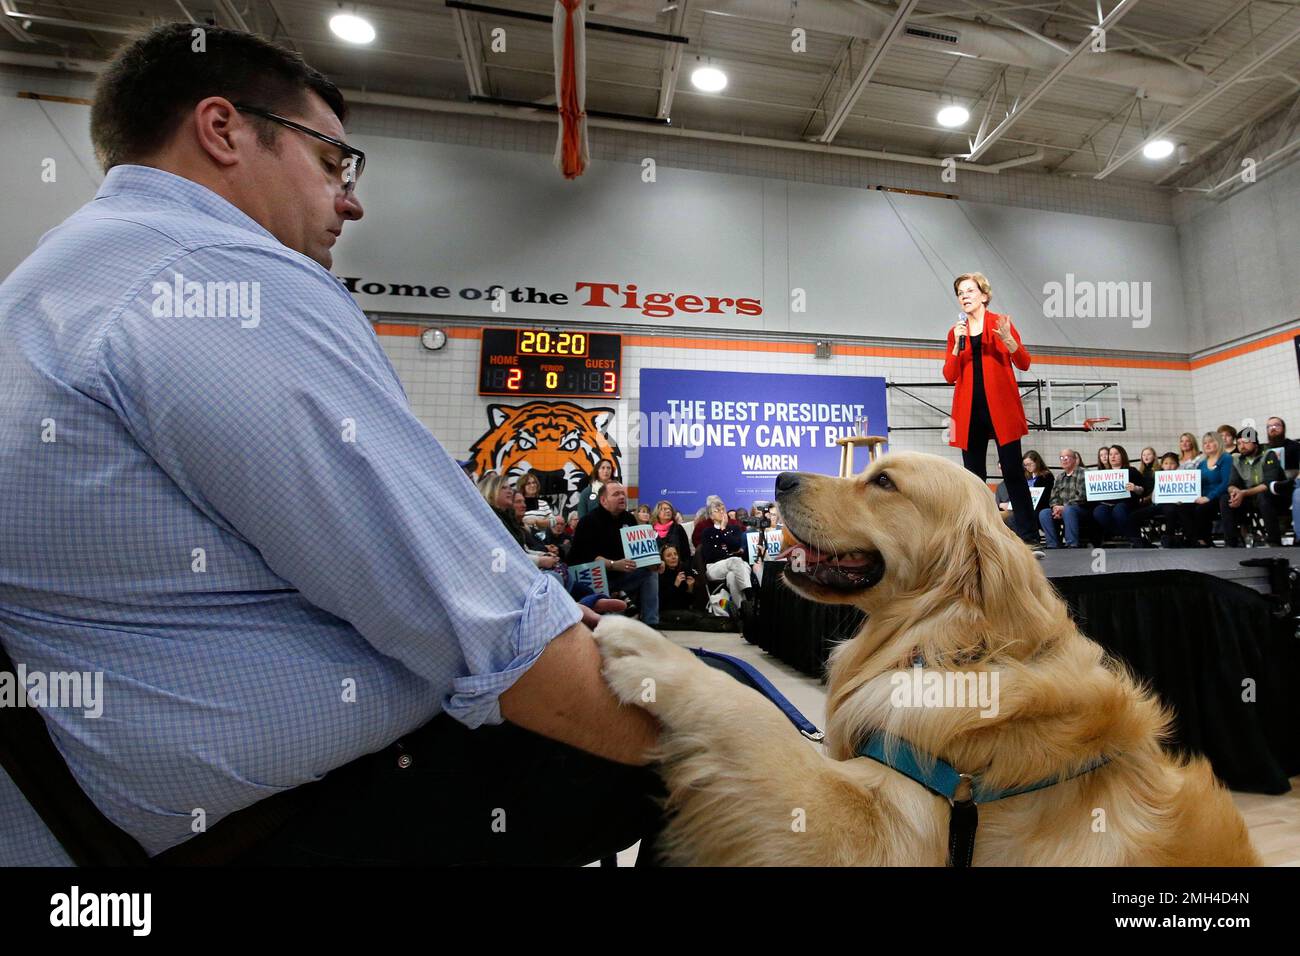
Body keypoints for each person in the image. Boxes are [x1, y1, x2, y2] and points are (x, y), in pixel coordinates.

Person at [0, 24, 661, 867]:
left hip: (97, 813)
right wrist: (761, 747)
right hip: (277, 822)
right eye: (331, 162)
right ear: (222, 129)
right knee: (728, 750)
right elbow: (507, 649)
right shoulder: (223, 277)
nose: (349, 200)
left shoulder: (56, 281)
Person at [942, 271, 1037, 547]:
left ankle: (1029, 538)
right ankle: (978, 539)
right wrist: (957, 348)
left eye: (970, 291)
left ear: (984, 295)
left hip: (1001, 410)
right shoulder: (955, 332)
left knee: (1012, 472)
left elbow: (1024, 362)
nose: (964, 296)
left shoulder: (1001, 323)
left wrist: (1009, 341)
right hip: (969, 412)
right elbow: (949, 375)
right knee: (973, 478)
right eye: (960, 293)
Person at [569, 482, 661, 626]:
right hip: (594, 580)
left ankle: (651, 624)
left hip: (622, 576)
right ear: (603, 500)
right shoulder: (588, 522)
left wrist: (652, 562)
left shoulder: (629, 519)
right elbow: (588, 557)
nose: (622, 497)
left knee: (651, 573)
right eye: (616, 494)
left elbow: (637, 553)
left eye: (623, 493)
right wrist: (614, 564)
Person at [1221, 427, 1284, 547]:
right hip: (1248, 497)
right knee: (1225, 499)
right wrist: (1235, 492)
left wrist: (1244, 493)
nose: (1241, 446)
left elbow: (1269, 483)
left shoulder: (1268, 455)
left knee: (1263, 496)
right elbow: (1232, 483)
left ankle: (1274, 541)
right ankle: (1231, 543)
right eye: (1239, 443)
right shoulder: (1237, 460)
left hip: (1273, 496)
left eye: (1245, 442)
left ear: (1255, 443)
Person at [1174, 432, 1234, 547]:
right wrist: (1185, 497)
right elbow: (1197, 484)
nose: (1207, 445)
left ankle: (1204, 539)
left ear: (1218, 442)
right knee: (1182, 507)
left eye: (1211, 442)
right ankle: (1194, 540)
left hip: (1219, 496)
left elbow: (1226, 482)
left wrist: (1208, 497)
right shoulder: (1202, 463)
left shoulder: (1226, 458)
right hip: (1203, 496)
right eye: (1205, 443)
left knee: (1201, 509)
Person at [699, 501, 754, 614]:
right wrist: (730, 552)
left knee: (732, 576)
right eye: (717, 510)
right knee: (735, 560)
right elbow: (710, 554)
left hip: (737, 567)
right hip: (714, 567)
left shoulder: (735, 529)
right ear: (711, 516)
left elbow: (736, 545)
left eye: (723, 509)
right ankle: (750, 596)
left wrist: (724, 530)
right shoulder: (707, 532)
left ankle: (742, 611)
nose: (721, 512)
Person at [1090, 445, 1152, 544]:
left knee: (1119, 509)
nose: (1112, 457)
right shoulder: (1103, 474)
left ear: (1122, 455)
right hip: (1107, 504)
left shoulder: (1131, 471)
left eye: (1116, 454)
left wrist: (1135, 488)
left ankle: (1131, 536)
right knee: (1098, 511)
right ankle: (1119, 533)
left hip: (1127, 504)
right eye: (1110, 454)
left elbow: (1143, 490)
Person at [1121, 451, 1185, 547]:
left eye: (1172, 463)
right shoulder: (1160, 476)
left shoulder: (1182, 476)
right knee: (1133, 515)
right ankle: (1138, 540)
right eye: (1166, 463)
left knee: (1170, 510)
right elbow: (1155, 497)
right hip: (1159, 505)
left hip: (1174, 504)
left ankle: (1168, 537)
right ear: (1162, 465)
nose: (1169, 466)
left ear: (1177, 465)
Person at [1038, 449, 1087, 548]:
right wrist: (1055, 507)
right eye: (1061, 458)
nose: (1064, 460)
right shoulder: (1060, 477)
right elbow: (1053, 497)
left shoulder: (1083, 473)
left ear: (1074, 459)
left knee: (1069, 510)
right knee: (1044, 513)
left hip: (1080, 509)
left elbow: (1082, 496)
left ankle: (1071, 543)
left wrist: (1064, 507)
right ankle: (1053, 544)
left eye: (1067, 457)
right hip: (1062, 509)